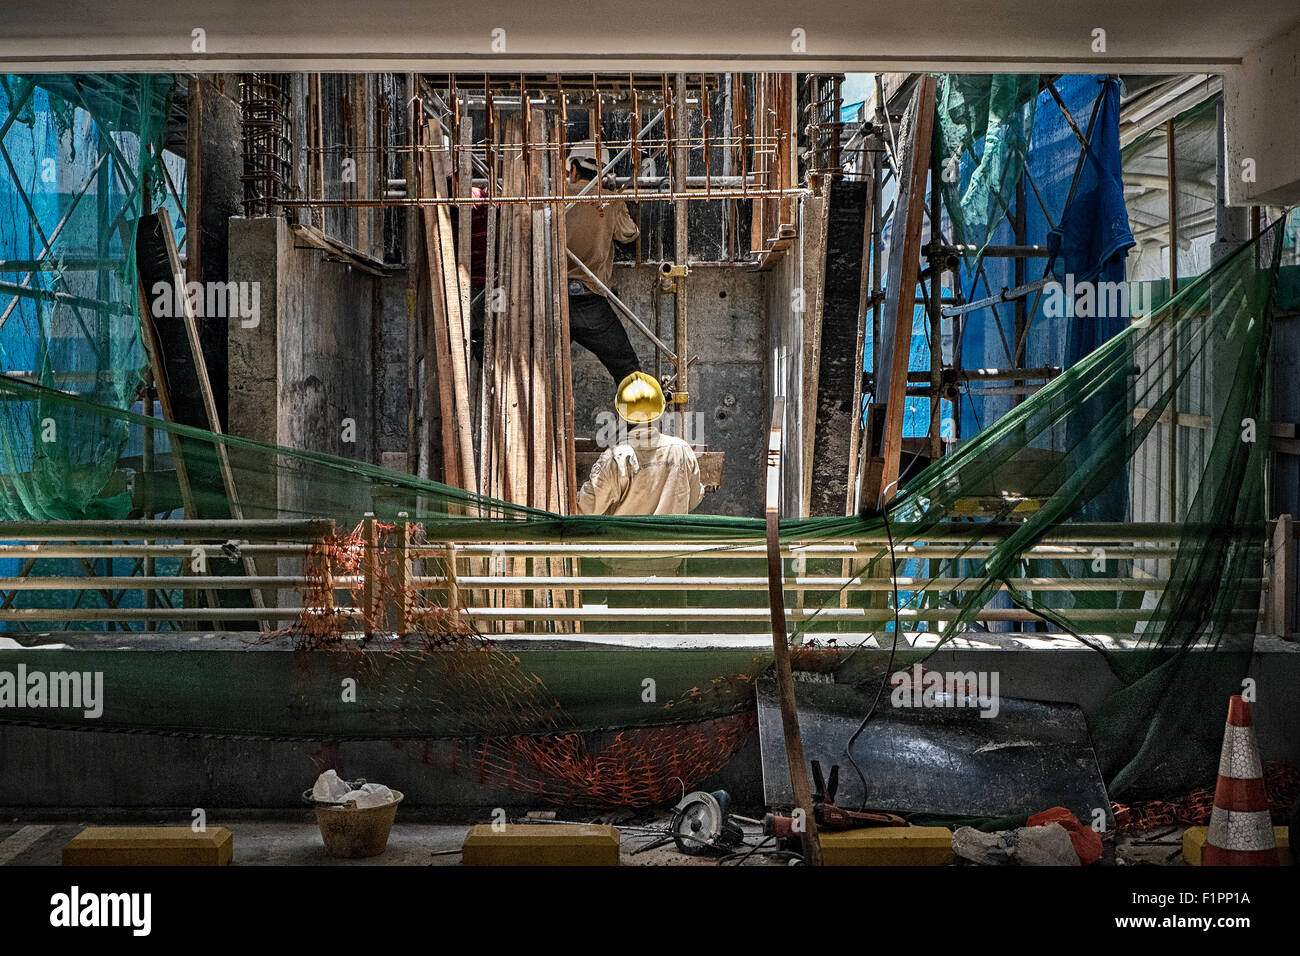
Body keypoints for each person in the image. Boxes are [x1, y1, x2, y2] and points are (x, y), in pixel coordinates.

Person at [565, 143, 643, 386]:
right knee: (628, 371)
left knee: (533, 368)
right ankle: (640, 423)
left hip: (551, 299)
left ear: (574, 168)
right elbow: (629, 234)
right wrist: (615, 198)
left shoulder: (553, 195)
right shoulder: (609, 201)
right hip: (590, 301)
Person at [576, 372, 703, 517]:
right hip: (671, 540)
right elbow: (693, 499)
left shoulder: (616, 459)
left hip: (627, 540)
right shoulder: (682, 450)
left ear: (620, 412)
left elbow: (584, 510)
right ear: (660, 409)